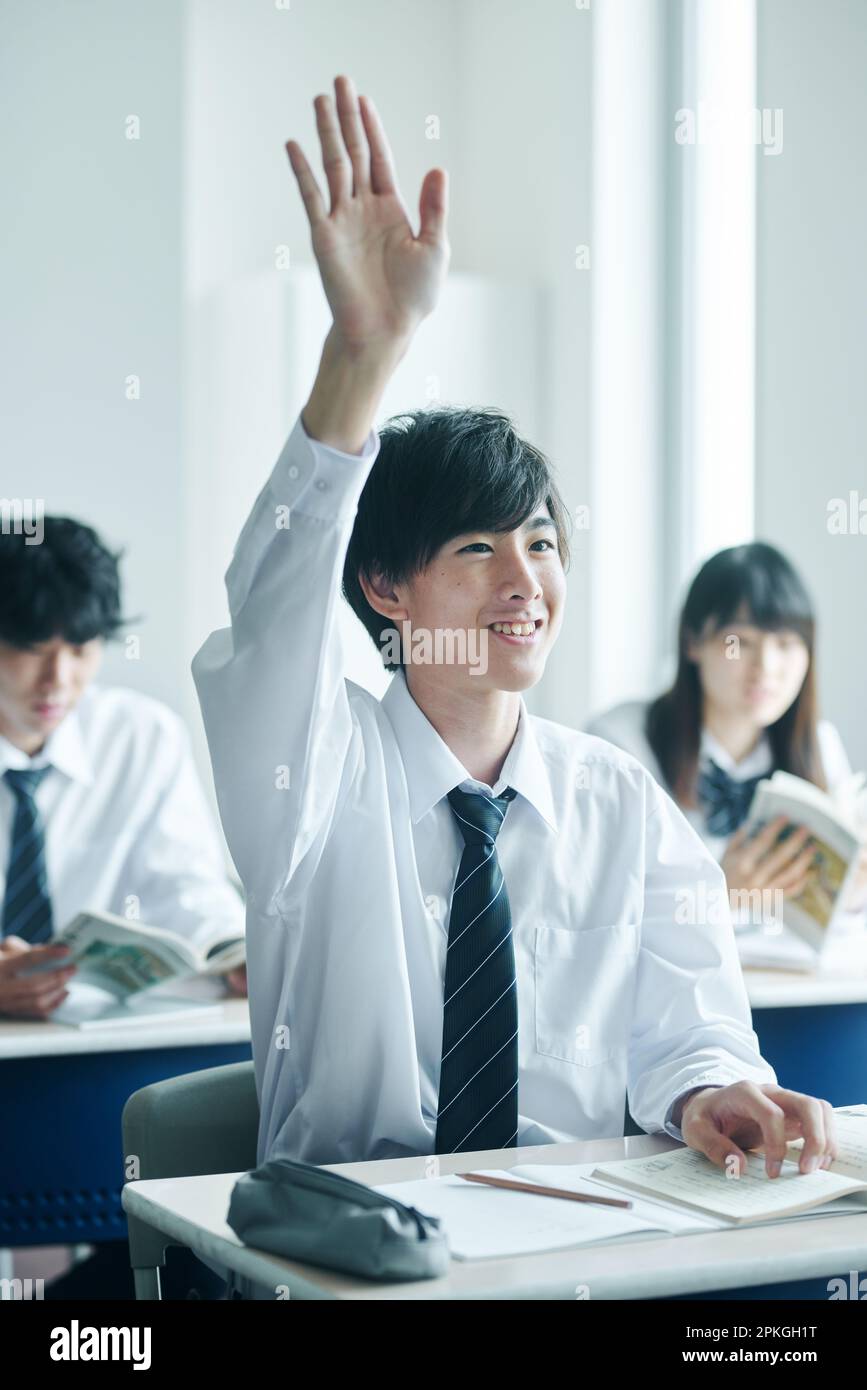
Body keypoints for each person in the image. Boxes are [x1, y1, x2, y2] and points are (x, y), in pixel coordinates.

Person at [192, 74, 839, 1202]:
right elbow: (276, 606)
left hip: (575, 1244)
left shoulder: (618, 800)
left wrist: (707, 1089)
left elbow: (688, 1025)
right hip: (358, 1254)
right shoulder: (315, 772)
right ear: (387, 586)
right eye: (478, 550)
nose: (527, 580)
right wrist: (364, 352)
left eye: (541, 543)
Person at [0, 514, 247, 1298]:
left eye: (82, 648)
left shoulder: (139, 737)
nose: (58, 680)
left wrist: (234, 951)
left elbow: (191, 894)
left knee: (190, 1242)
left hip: (90, 1069)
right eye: (30, 647)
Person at [587, 543, 867, 916]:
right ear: (692, 642)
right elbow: (595, 904)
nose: (766, 667)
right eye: (741, 643)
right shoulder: (620, 744)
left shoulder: (818, 743)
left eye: (786, 644)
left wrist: (849, 891)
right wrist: (715, 896)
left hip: (793, 972)